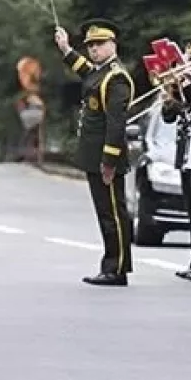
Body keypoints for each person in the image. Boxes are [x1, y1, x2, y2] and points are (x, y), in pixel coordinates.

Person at [55, 18, 136, 286]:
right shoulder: (100, 72)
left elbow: (116, 124)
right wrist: (66, 49)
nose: (94, 49)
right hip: (94, 156)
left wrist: (109, 161)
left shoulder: (116, 78)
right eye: (90, 45)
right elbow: (86, 72)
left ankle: (117, 267)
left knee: (113, 214)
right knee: (105, 213)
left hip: (106, 157)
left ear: (113, 44)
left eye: (99, 44)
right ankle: (111, 264)